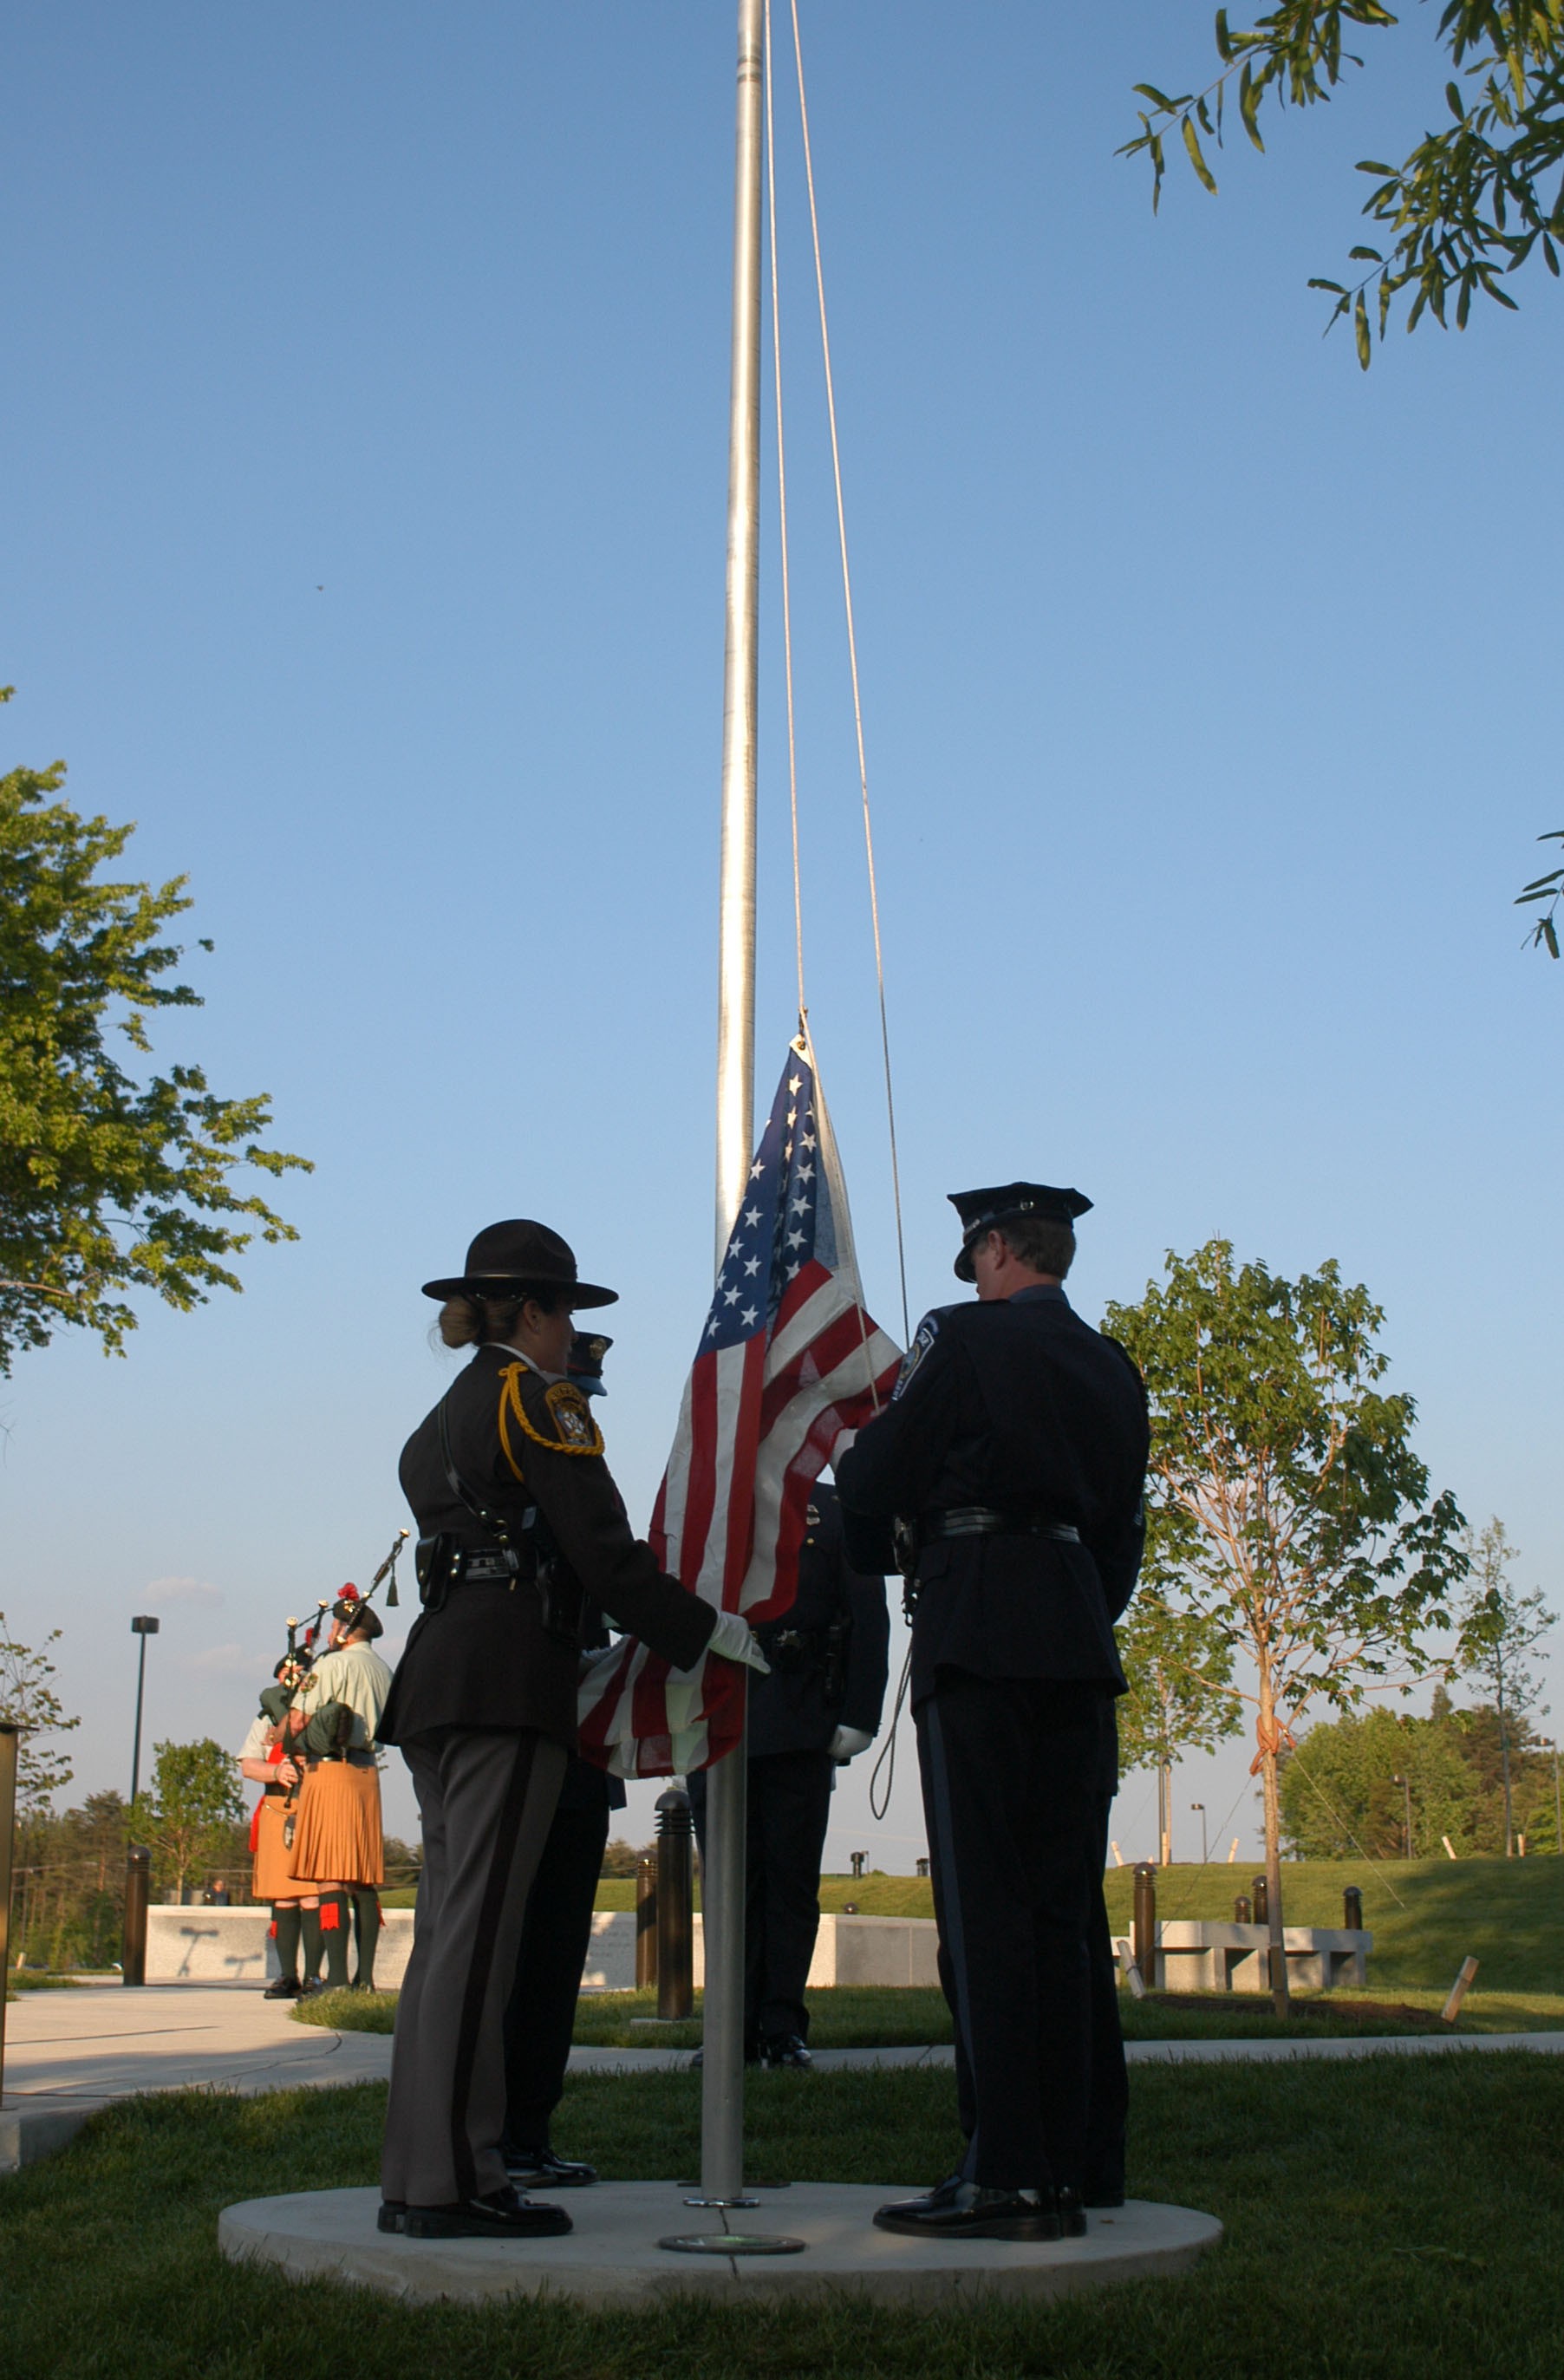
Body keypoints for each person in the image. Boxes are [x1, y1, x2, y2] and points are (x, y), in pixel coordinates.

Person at [377, 1219, 766, 2243]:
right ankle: (458, 2180)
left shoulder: (443, 1413)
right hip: (509, 1681)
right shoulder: (533, 1397)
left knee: (447, 1943)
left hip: (442, 1677)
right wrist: (708, 1632)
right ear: (537, 1314)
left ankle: (420, 2170)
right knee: (480, 1943)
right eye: (567, 1316)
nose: (569, 1341)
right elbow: (603, 1550)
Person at [835, 1182, 1148, 2244]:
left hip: (978, 1628)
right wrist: (1066, 1605)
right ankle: (1081, 2159)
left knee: (985, 1911)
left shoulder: (958, 1338)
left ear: (1001, 1248)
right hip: (1073, 1633)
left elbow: (874, 1473)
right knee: (1065, 1911)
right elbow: (1121, 1539)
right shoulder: (1112, 1366)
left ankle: (1007, 2171)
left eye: (974, 1254)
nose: (969, 1272)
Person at [688, 1480, 889, 2068]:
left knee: (790, 1883)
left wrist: (859, 1714)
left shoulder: (832, 1507)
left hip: (800, 1713)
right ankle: (731, 2024)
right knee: (728, 1885)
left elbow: (866, 1614)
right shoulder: (706, 1504)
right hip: (717, 1713)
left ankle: (781, 2024)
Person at [499, 1330, 626, 2190]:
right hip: (527, 1709)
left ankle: (528, 2131)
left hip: (576, 1733)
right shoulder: (519, 1464)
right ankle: (503, 2134)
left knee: (552, 1957)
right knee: (519, 1951)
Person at [287, 1588, 394, 1990]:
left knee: (330, 1877)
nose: (331, 1630)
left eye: (335, 1624)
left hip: (330, 1773)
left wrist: (282, 1734)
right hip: (368, 1774)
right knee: (362, 1877)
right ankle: (364, 1978)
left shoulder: (332, 1665)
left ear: (347, 1630)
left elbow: (298, 1721)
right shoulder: (384, 1670)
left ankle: (334, 1978)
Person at [238, 1659, 323, 1999]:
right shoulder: (265, 1718)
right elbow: (248, 1764)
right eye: (287, 1674)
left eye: (299, 1673)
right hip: (276, 1805)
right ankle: (288, 1975)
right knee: (283, 1895)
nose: (293, 1678)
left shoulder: (320, 1712)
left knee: (312, 1893)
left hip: (312, 1806)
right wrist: (275, 1772)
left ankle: (315, 1976)